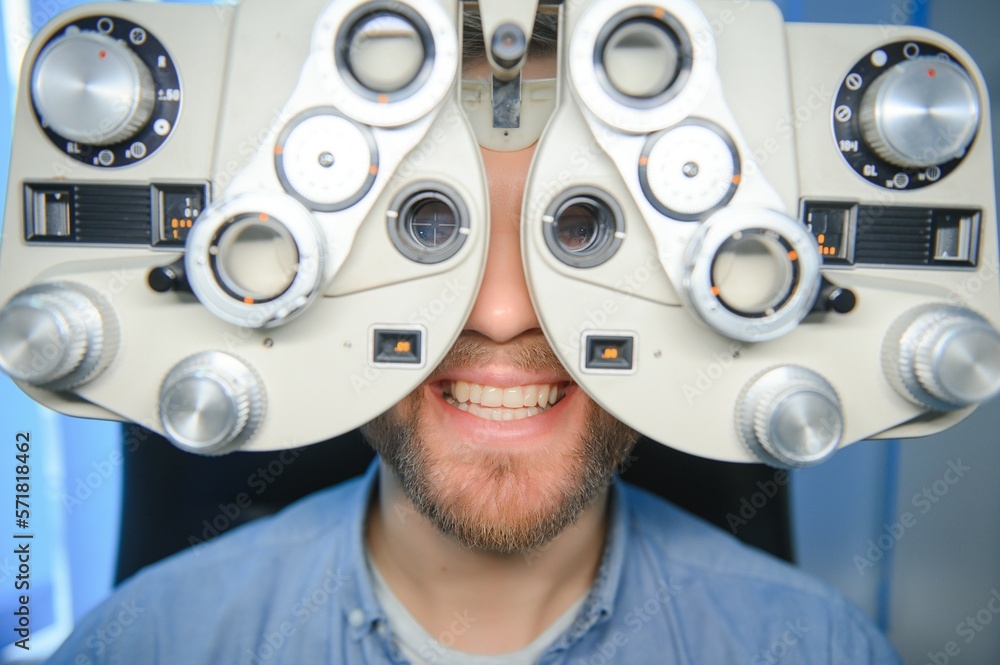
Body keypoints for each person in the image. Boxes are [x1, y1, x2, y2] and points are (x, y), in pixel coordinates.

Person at [47, 10, 903, 665]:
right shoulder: (144, 642)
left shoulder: (819, 646)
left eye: (578, 232)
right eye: (424, 225)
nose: (499, 313)